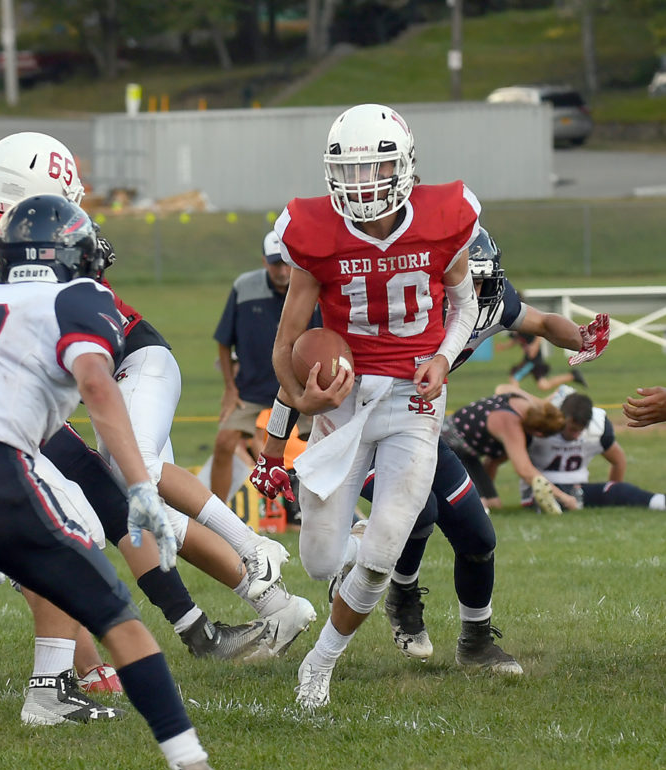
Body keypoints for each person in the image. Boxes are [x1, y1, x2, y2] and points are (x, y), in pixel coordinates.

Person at [0, 193, 262, 770]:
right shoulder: (78, 297)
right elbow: (96, 382)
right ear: (74, 254)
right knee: (119, 618)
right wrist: (142, 486)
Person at [253, 227, 609, 672]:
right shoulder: (400, 308)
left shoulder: (485, 303)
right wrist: (272, 451)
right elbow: (302, 369)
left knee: (478, 536)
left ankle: (475, 641)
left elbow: (539, 322)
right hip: (354, 435)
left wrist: (581, 338)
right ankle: (397, 592)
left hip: (415, 429)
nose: (472, 292)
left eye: (481, 282)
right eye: (466, 281)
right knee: (411, 517)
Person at [263, 103, 481, 709]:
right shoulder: (313, 230)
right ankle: (360, 546)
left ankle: (321, 662)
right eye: (350, 171)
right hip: (342, 400)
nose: (362, 185)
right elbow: (286, 344)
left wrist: (442, 357)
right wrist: (301, 398)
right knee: (318, 560)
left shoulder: (445, 218)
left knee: (386, 548)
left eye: (374, 169)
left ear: (405, 165)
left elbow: (464, 306)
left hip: (413, 396)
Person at [210, 231, 318, 502]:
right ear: (263, 261)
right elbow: (224, 341)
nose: (282, 271)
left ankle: (340, 512)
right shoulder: (244, 287)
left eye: (286, 263)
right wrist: (229, 389)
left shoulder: (311, 286)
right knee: (224, 443)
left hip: (299, 388)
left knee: (324, 445)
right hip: (251, 391)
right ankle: (215, 515)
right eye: (275, 264)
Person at [520, 388, 666, 511]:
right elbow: (506, 455)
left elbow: (618, 460)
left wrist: (612, 495)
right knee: (550, 496)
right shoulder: (540, 426)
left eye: (580, 430)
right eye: (571, 429)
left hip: (578, 489)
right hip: (540, 489)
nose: (576, 436)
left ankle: (660, 502)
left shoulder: (598, 429)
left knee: (619, 490)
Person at [442, 390, 578, 514]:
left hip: (469, 454)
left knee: (494, 505)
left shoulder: (526, 402)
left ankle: (482, 499)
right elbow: (525, 470)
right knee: (479, 508)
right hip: (448, 447)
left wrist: (486, 490)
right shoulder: (510, 424)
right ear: (538, 433)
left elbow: (493, 462)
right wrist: (564, 498)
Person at [500, 320, 588, 392]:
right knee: (544, 385)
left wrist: (535, 346)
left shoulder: (525, 324)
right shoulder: (516, 329)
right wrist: (504, 346)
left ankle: (517, 402)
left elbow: (539, 333)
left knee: (514, 378)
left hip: (532, 360)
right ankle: (572, 376)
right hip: (533, 360)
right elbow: (516, 340)